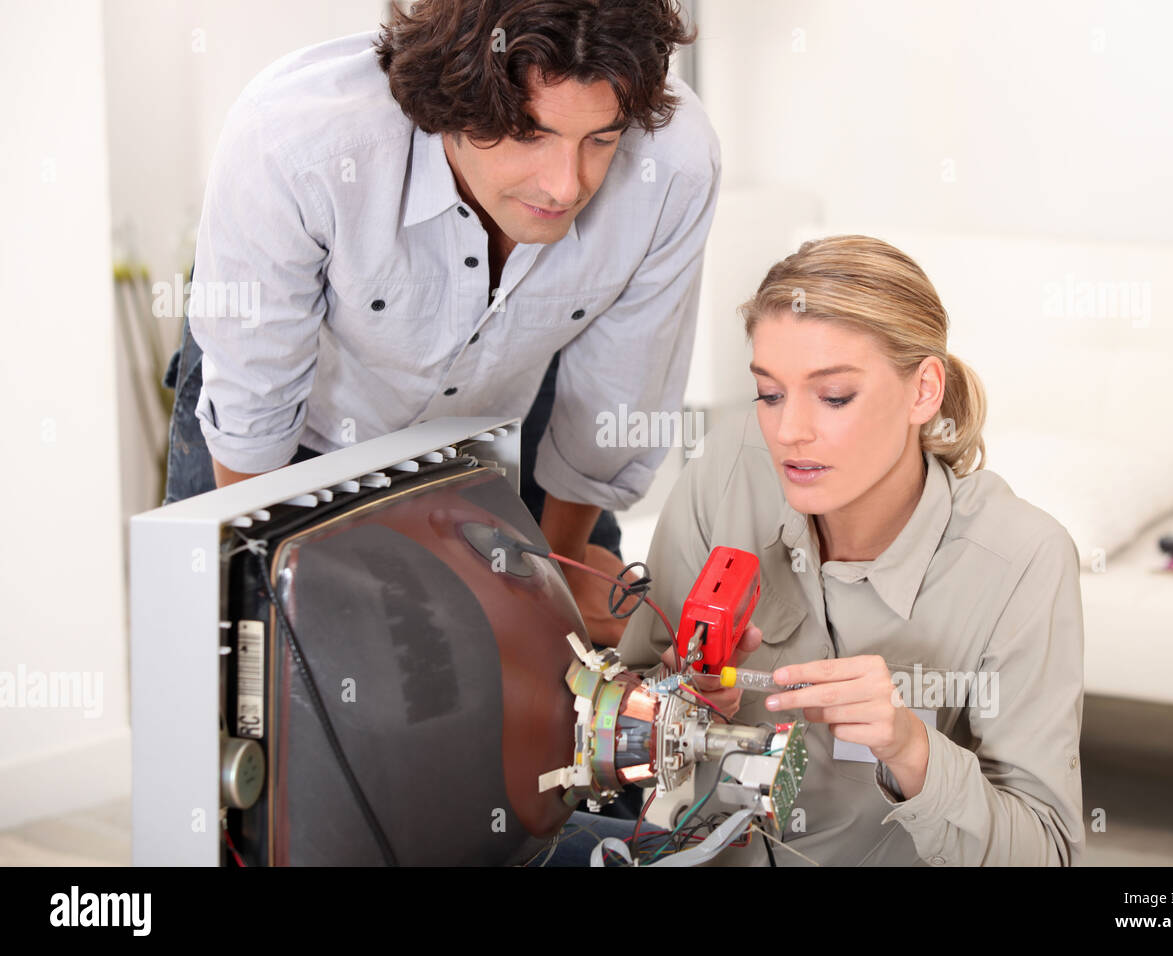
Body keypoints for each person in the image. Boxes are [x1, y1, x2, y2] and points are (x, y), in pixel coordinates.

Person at [162, 0, 720, 647]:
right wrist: (290, 614)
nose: (566, 186)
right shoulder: (297, 142)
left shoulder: (672, 162)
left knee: (551, 666)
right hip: (294, 414)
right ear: (451, 101)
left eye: (601, 139)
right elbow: (253, 436)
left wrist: (550, 589)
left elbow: (618, 389)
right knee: (254, 666)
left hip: (512, 392)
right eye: (531, 133)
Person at [614, 235, 1087, 865]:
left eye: (834, 397)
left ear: (924, 391)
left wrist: (912, 750)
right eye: (770, 394)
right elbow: (624, 717)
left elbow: (1048, 854)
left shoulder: (1025, 559)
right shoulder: (725, 469)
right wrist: (677, 700)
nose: (789, 432)